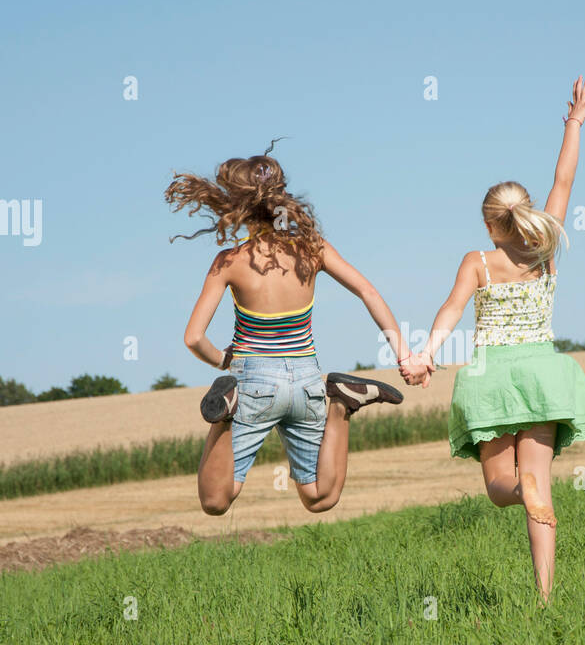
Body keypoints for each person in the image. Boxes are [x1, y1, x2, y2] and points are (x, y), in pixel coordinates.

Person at [399, 78, 585, 598]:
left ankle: (529, 500)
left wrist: (426, 354)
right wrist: (574, 123)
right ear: (527, 213)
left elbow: (451, 309)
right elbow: (566, 176)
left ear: (490, 226)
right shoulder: (547, 247)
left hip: (492, 376)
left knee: (499, 491)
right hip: (541, 373)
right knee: (539, 483)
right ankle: (545, 596)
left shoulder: (479, 261)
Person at [166, 153, 410, 516]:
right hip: (307, 382)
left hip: (254, 382)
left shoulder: (229, 262)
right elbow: (368, 292)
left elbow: (193, 338)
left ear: (237, 206)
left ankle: (227, 415)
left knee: (216, 500)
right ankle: (341, 404)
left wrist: (223, 361)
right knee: (319, 497)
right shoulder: (314, 250)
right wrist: (403, 353)